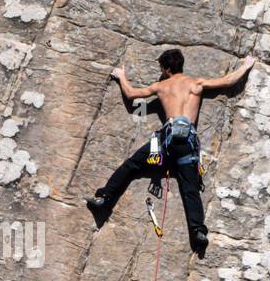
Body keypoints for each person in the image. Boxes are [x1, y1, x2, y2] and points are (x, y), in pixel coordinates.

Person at [86, 49, 255, 258]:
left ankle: (104, 199)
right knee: (190, 189)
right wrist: (246, 65)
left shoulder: (161, 86)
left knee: (131, 166)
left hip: (164, 142)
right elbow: (228, 81)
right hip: (187, 144)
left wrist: (122, 77)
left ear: (166, 69)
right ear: (181, 65)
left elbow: (132, 97)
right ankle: (198, 232)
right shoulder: (197, 84)